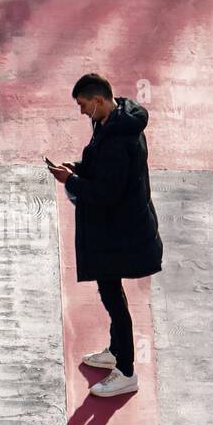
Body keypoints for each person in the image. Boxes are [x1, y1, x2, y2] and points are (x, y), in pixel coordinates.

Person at [46, 73, 162, 398]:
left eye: (83, 105)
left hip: (119, 233)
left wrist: (71, 181)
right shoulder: (114, 124)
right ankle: (116, 351)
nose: (82, 112)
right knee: (111, 294)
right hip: (118, 228)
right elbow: (102, 172)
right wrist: (77, 168)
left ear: (97, 101)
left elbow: (105, 192)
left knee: (113, 299)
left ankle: (125, 371)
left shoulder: (117, 140)